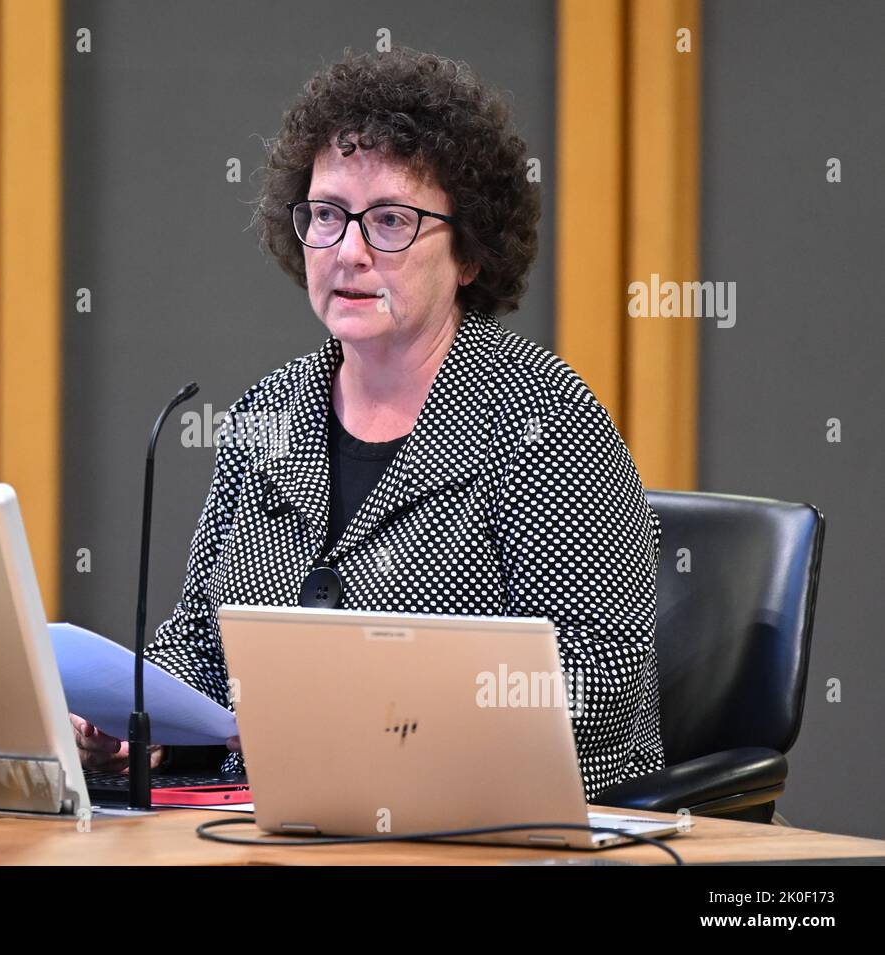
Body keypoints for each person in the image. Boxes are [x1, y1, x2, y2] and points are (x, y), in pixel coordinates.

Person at [72, 48, 664, 802]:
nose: (348, 251)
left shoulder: (543, 417)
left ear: (469, 253)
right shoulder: (266, 413)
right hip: (266, 823)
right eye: (326, 216)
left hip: (492, 829)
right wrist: (137, 718)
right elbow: (198, 642)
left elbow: (596, 679)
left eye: (389, 220)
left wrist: (380, 731)